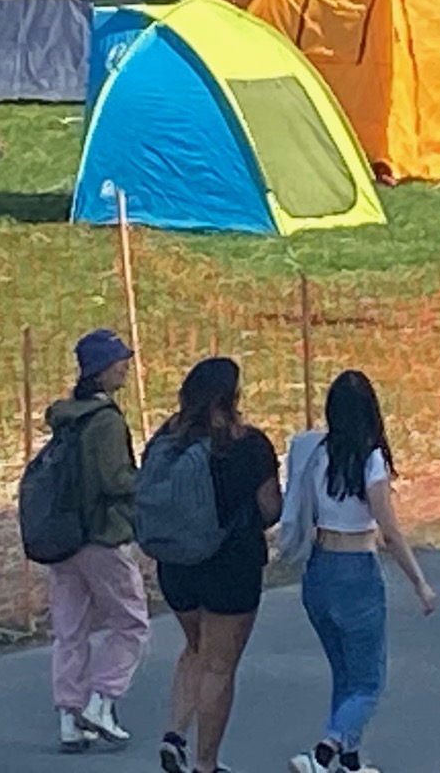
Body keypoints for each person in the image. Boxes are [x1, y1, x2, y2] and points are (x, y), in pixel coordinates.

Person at [278, 370, 437, 773]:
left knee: (345, 674)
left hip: (319, 568)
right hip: (356, 571)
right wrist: (419, 582)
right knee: (368, 682)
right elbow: (390, 530)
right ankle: (324, 752)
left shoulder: (316, 453)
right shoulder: (370, 460)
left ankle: (349, 760)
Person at [150, 359, 281, 773]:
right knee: (220, 667)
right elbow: (270, 508)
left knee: (194, 647)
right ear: (231, 397)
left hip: (176, 564)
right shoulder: (249, 446)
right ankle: (205, 763)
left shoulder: (166, 440)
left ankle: (175, 734)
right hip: (230, 567)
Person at [45, 329, 152, 753]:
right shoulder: (105, 420)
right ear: (100, 370)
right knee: (131, 622)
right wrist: (147, 483)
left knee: (70, 628)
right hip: (103, 535)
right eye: (117, 361)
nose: (124, 366)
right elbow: (116, 479)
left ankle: (68, 717)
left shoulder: (67, 417)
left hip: (64, 537)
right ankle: (102, 701)